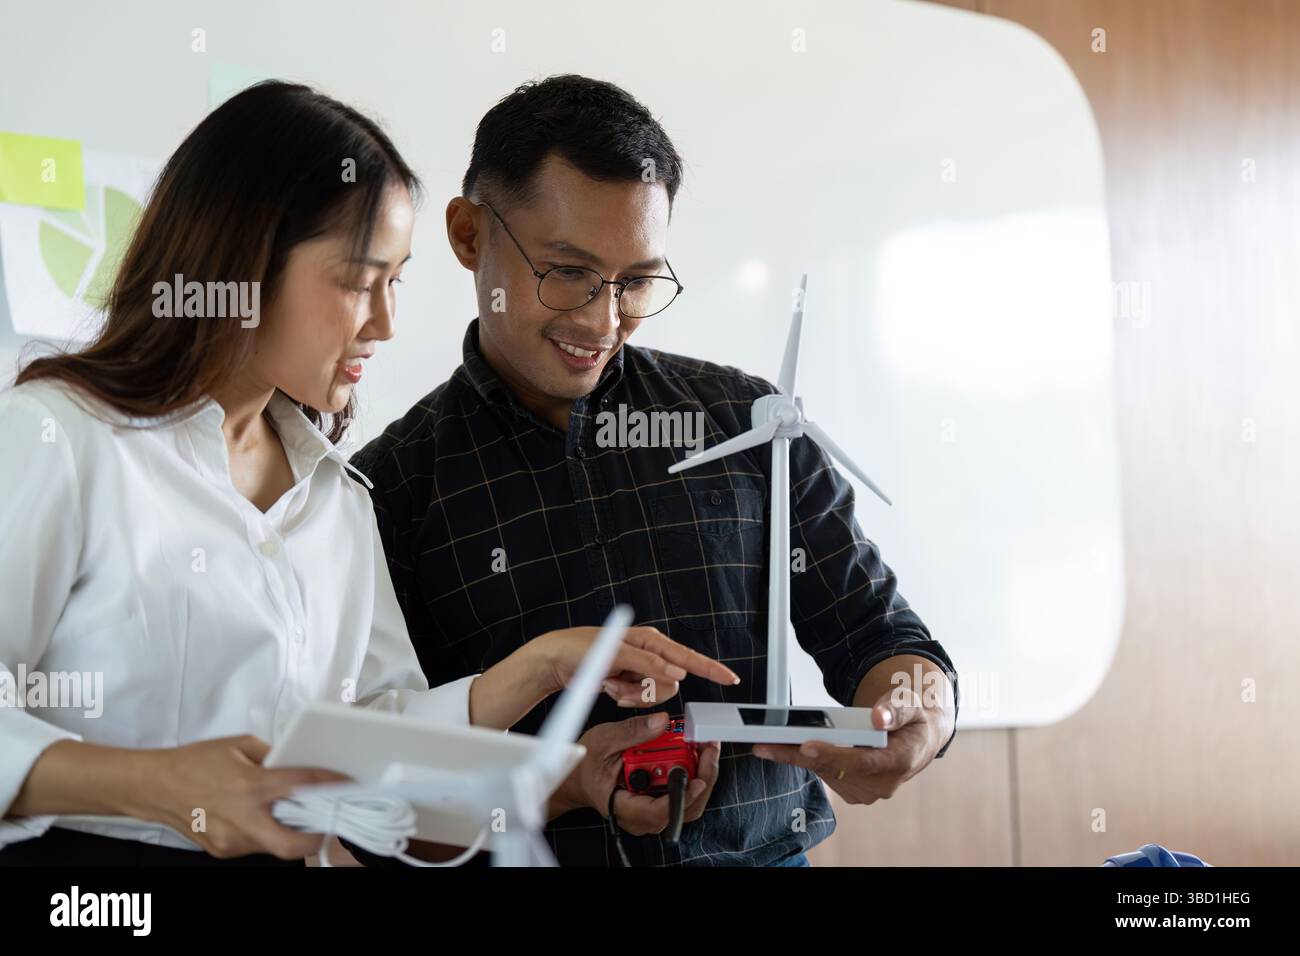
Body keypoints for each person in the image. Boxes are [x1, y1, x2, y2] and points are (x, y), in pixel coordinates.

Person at [0, 81, 738, 867]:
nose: (386, 323)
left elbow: (379, 736)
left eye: (396, 282)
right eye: (358, 282)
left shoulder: (337, 499)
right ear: (241, 264)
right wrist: (156, 785)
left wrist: (541, 674)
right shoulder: (63, 437)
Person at [351, 74, 961, 867]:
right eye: (566, 272)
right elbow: (381, 799)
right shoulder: (385, 492)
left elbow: (879, 634)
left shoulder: (750, 424)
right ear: (468, 234)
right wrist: (569, 785)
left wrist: (919, 707)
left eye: (638, 281)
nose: (604, 321)